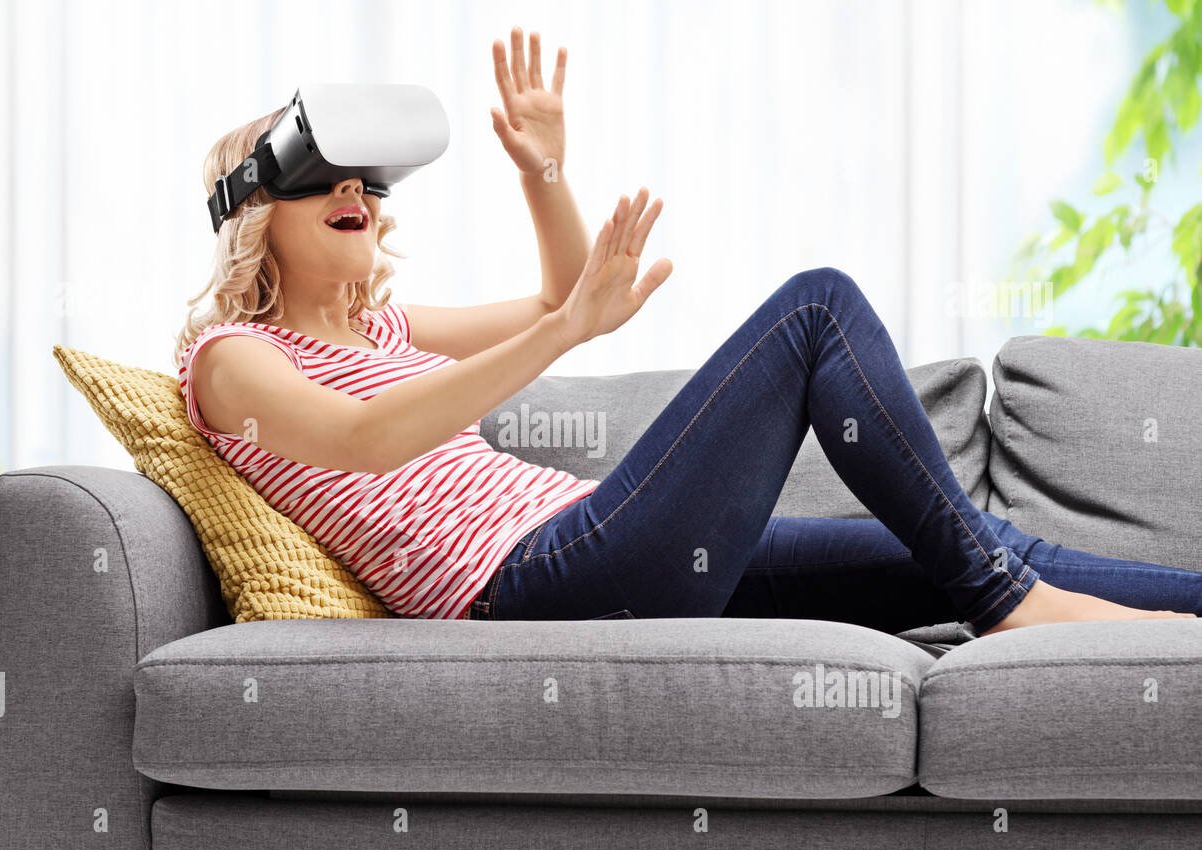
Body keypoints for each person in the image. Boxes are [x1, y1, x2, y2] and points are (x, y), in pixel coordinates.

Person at [175, 27, 1200, 633]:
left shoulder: (383, 327)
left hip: (592, 544)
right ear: (257, 208)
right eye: (322, 178)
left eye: (363, 178)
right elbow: (367, 439)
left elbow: (555, 295)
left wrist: (544, 169)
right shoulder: (232, 361)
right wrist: (567, 330)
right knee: (815, 308)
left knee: (944, 546)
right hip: (535, 579)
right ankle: (1012, 602)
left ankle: (1153, 604)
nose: (354, 190)